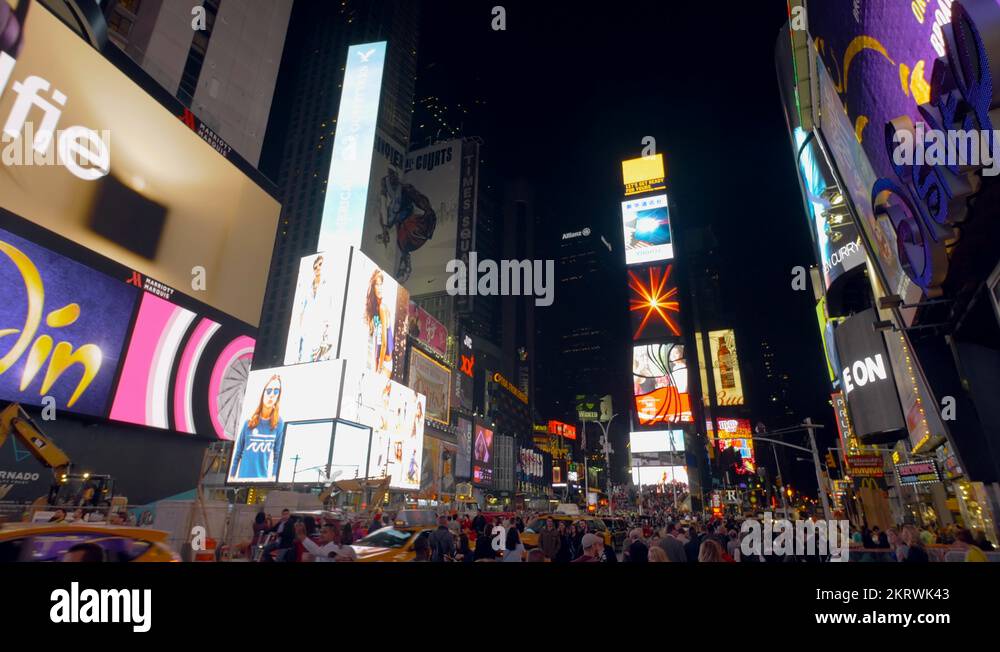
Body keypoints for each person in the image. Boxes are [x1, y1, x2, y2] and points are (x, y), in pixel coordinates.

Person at [230, 375, 284, 481]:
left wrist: (273, 477)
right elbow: (238, 452)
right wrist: (232, 476)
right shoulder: (249, 422)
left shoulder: (279, 423)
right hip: (242, 479)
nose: (272, 395)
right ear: (263, 393)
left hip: (261, 479)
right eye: (269, 391)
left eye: (276, 391)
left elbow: (277, 455)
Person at [365, 268, 393, 376]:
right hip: (379, 360)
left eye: (381, 284)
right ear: (373, 287)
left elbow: (385, 343)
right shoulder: (376, 308)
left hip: (384, 363)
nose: (380, 288)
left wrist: (379, 368)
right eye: (377, 284)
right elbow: (377, 339)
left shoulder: (382, 308)